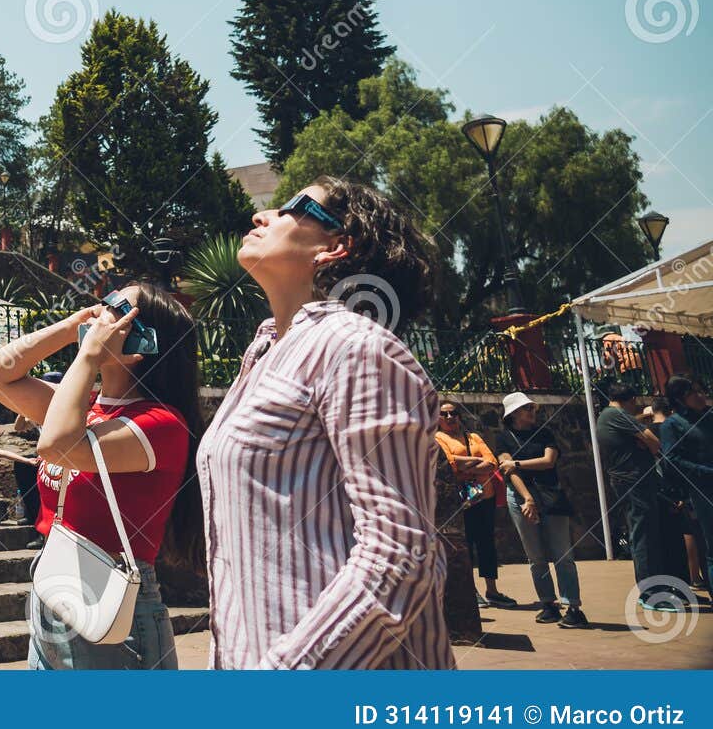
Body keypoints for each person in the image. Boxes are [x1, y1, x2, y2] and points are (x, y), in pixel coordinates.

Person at [196, 177, 454, 669]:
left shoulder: (356, 348)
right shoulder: (267, 352)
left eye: (294, 207)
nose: (262, 216)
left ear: (335, 247)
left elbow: (400, 554)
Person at [0, 280, 202, 670]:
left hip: (110, 601)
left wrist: (87, 356)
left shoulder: (160, 424)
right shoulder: (86, 410)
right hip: (55, 587)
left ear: (142, 344)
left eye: (117, 307)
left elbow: (57, 446)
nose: (102, 311)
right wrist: (69, 327)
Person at [497, 391, 586, 628]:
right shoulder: (504, 438)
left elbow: (548, 461)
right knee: (535, 555)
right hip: (520, 496)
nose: (532, 412)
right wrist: (528, 499)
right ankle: (548, 603)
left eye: (532, 408)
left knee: (562, 553)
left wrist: (516, 462)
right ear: (514, 414)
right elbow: (509, 473)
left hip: (550, 494)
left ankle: (573, 605)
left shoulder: (545, 433)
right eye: (527, 409)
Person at [596, 379, 676, 608]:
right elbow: (653, 442)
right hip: (634, 482)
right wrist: (647, 441)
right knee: (644, 536)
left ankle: (656, 588)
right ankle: (650, 593)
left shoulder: (608, 416)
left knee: (646, 533)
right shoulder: (616, 415)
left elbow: (638, 431)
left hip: (630, 481)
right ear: (630, 401)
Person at [435, 399, 517, 609]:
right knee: (466, 545)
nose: (450, 417)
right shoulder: (438, 439)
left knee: (486, 543)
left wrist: (464, 468)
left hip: (485, 498)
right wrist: (473, 465)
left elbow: (491, 462)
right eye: (444, 414)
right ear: (437, 419)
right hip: (462, 502)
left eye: (453, 413)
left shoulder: (473, 437)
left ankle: (492, 590)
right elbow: (447, 463)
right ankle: (472, 591)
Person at [660, 375, 713, 591]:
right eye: (695, 392)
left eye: (702, 391)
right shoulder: (672, 425)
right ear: (681, 398)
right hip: (702, 490)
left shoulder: (709, 418)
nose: (701, 396)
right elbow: (672, 460)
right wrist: (707, 472)